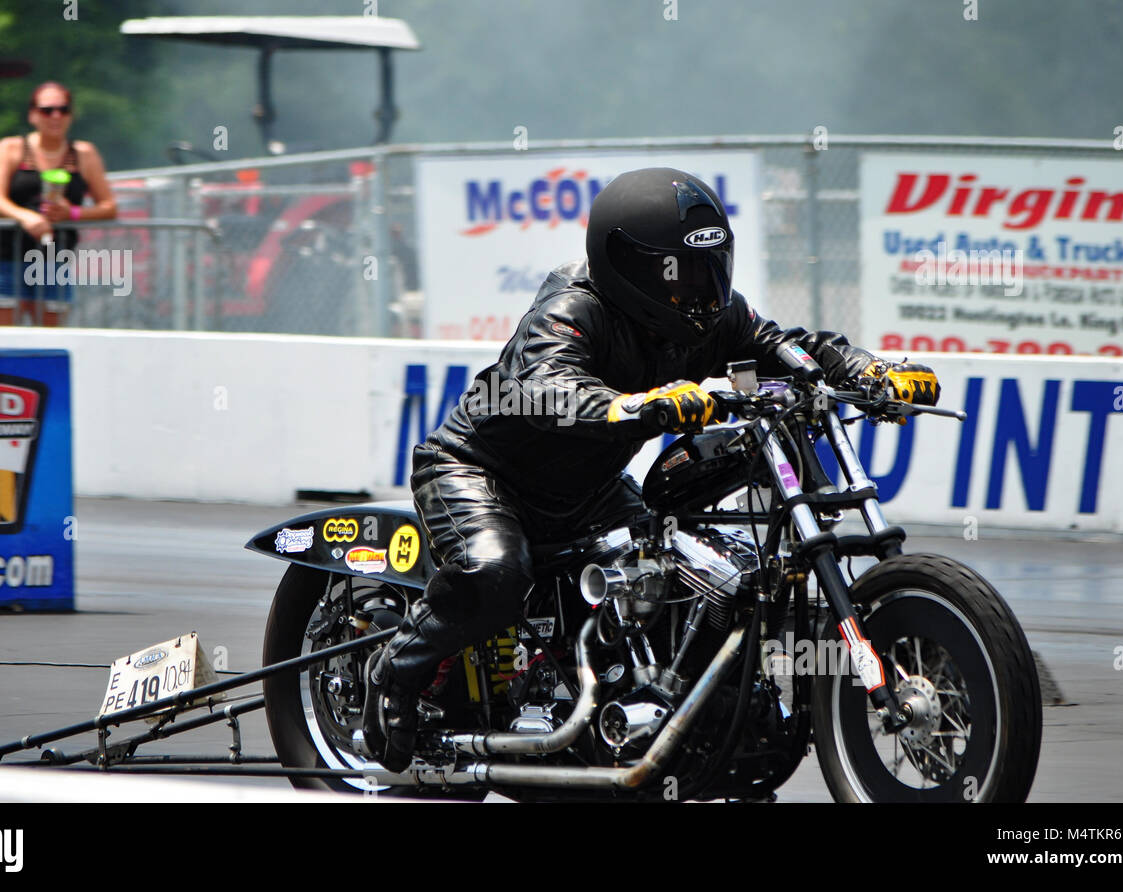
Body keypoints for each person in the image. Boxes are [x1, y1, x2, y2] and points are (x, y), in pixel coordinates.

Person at [363, 166, 940, 771]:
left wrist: (864, 370)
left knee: (681, 576)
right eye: (684, 272)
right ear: (632, 267)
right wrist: (633, 405)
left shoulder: (715, 317)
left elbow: (788, 347)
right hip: (481, 474)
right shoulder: (572, 307)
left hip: (589, 491)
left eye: (713, 267)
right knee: (497, 571)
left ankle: (652, 711)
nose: (704, 287)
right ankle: (395, 676)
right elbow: (545, 387)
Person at [0, 81, 116, 326]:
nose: (55, 116)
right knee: (3, 346)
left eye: (63, 109)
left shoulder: (84, 154)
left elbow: (109, 207)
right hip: (6, 259)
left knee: (49, 345)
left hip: (54, 262)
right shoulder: (10, 147)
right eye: (47, 110)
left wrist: (73, 213)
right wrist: (26, 217)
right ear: (33, 115)